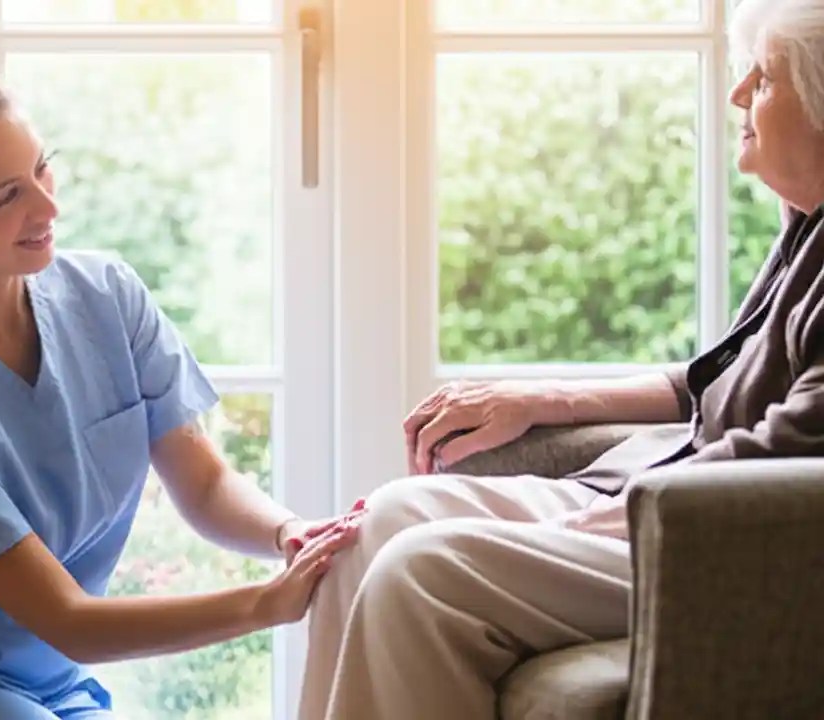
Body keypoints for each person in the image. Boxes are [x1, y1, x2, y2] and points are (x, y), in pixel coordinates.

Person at [298, 0, 824, 717]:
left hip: (722, 538)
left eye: (763, 79)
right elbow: (714, 377)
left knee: (422, 574)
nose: (737, 94)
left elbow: (790, 450)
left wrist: (599, 522)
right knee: (381, 522)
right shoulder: (806, 229)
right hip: (667, 497)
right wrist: (544, 398)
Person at [0, 66, 365, 720]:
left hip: (47, 683)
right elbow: (69, 620)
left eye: (43, 169)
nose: (48, 208)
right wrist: (266, 604)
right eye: (7, 196)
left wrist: (290, 533)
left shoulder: (109, 297)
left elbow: (205, 485)